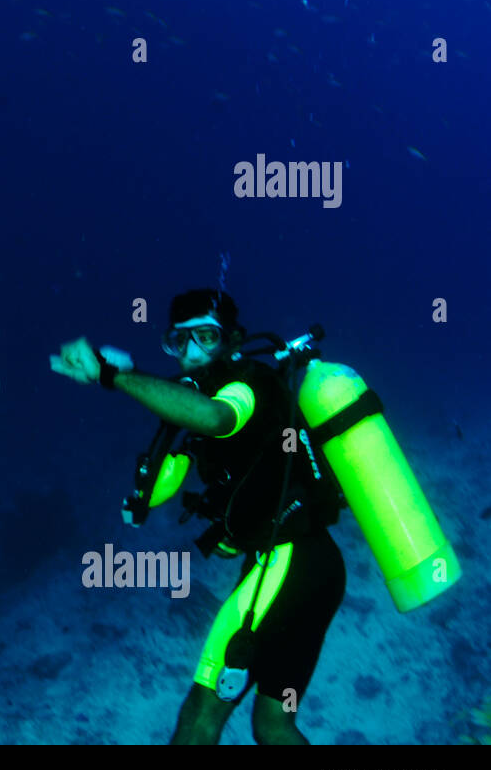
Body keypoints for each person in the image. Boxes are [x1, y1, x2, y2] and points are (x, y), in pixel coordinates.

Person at [52, 289, 345, 744]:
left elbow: (214, 417)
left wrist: (114, 377)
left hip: (287, 565)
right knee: (273, 724)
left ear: (231, 341)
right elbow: (180, 461)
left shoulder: (249, 385)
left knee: (197, 721)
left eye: (205, 337)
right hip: (314, 570)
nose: (191, 352)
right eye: (178, 341)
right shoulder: (199, 397)